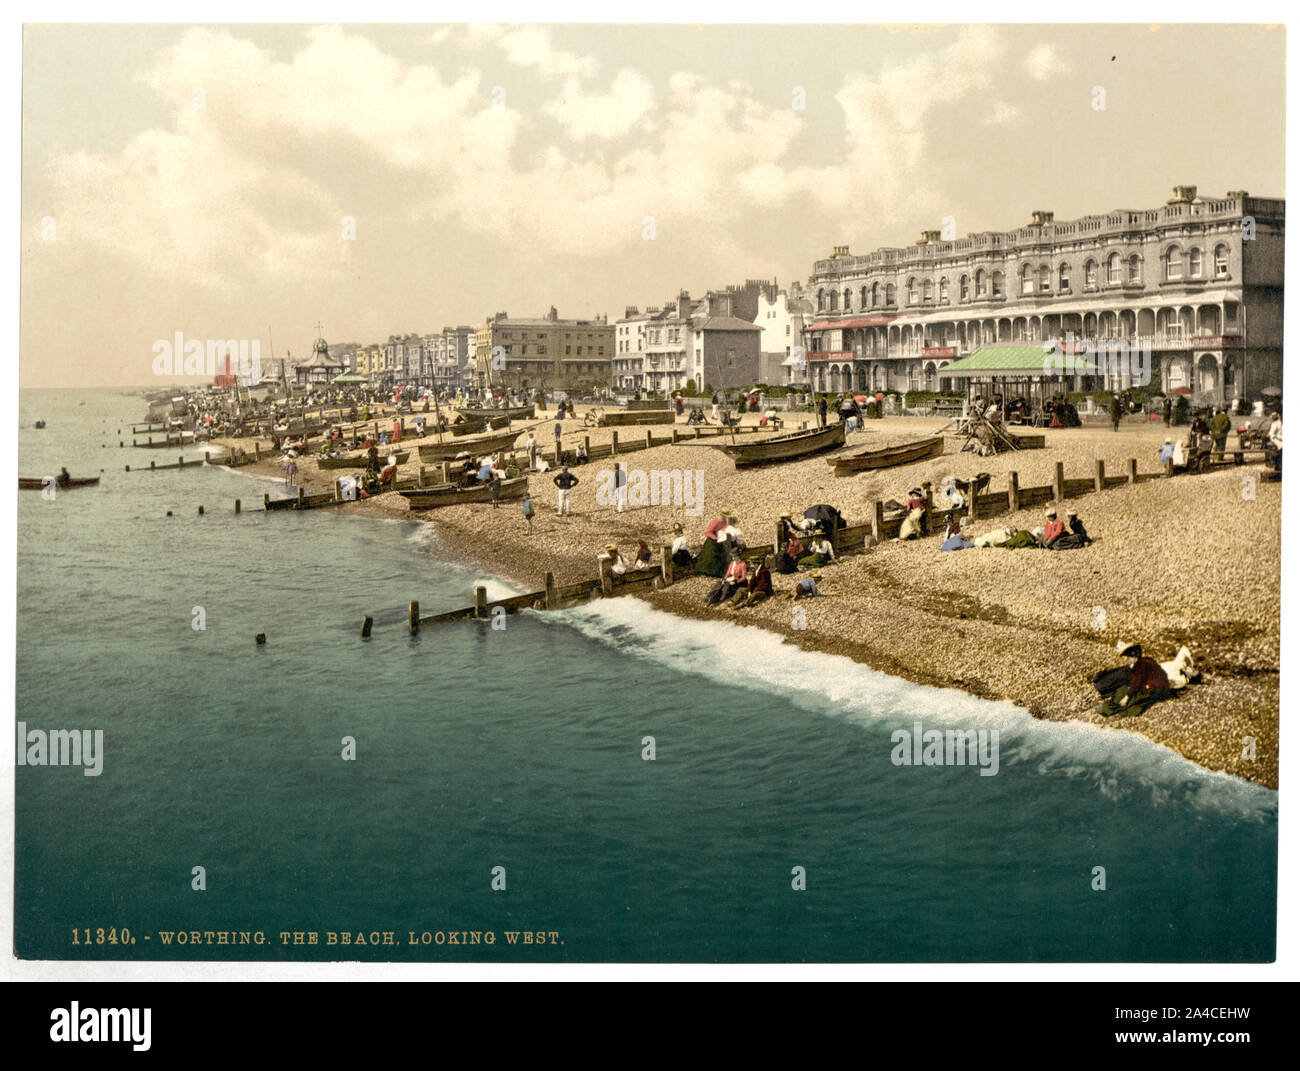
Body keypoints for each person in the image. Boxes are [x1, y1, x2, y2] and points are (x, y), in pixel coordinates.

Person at [1095, 641, 1172, 717]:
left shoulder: (1141, 665)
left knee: (1124, 693)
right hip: (1161, 689)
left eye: (1128, 658)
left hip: (1153, 690)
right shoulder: (1146, 661)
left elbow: (1137, 682)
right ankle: (1122, 711)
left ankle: (1106, 708)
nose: (1127, 660)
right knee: (1134, 699)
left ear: (1134, 657)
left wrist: (1127, 697)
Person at [694, 513, 730, 577]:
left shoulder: (724, 522)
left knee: (720, 555)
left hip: (720, 540)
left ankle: (718, 571)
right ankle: (708, 571)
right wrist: (715, 538)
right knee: (710, 556)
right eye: (723, 516)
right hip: (712, 541)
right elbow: (707, 532)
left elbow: (724, 529)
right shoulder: (714, 522)